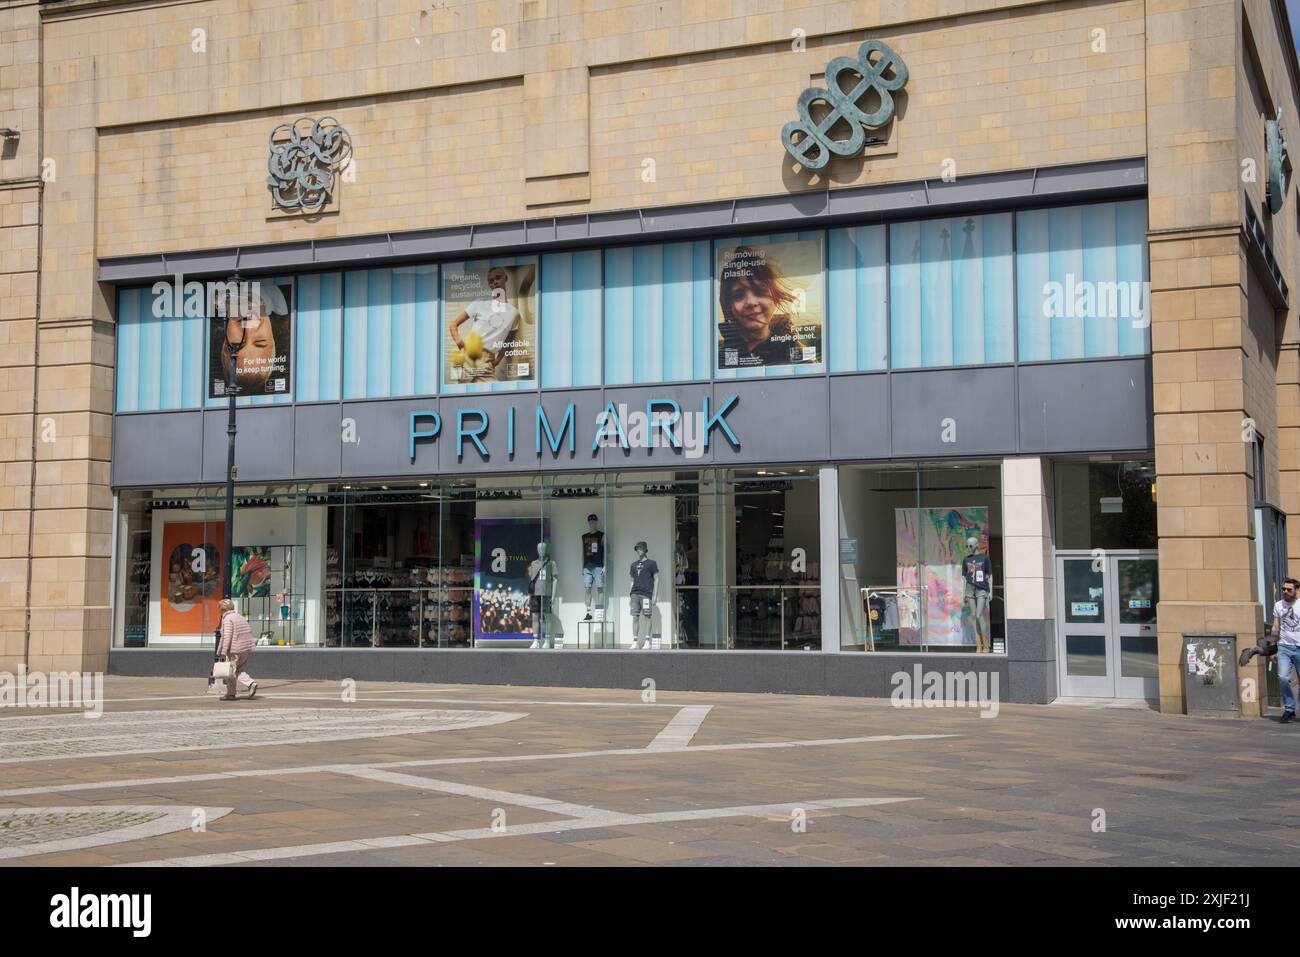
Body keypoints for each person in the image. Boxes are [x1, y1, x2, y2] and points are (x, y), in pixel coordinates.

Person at [717, 247, 807, 368]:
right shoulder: (719, 362)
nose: (751, 302)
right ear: (729, 306)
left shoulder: (800, 356)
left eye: (759, 291)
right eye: (738, 295)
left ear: (775, 299)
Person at [450, 267, 521, 382]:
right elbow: (453, 324)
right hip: (467, 356)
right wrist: (460, 343)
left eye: (498, 278)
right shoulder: (480, 303)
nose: (495, 282)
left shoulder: (514, 313)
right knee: (462, 395)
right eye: (491, 281)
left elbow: (509, 341)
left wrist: (497, 360)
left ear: (505, 278)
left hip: (486, 361)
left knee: (495, 395)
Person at [218, 283, 289, 395]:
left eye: (239, 344)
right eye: (260, 342)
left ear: (224, 345)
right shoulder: (278, 296)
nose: (249, 330)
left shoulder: (217, 297)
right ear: (272, 340)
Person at [217, 597, 258, 701]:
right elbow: (248, 632)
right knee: (239, 670)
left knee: (230, 672)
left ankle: (231, 694)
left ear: (223, 610)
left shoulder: (227, 619)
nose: (220, 612)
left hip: (234, 650)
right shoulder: (240, 617)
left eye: (220, 610)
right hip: (245, 649)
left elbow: (227, 636)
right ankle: (250, 683)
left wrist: (223, 651)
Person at [1272, 578, 1300, 723]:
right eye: (1283, 589)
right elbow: (1275, 627)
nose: (1285, 592)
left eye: (1289, 590)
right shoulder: (1278, 605)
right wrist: (1272, 650)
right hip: (1284, 647)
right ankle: (1289, 708)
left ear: (1296, 590)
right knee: (1283, 678)